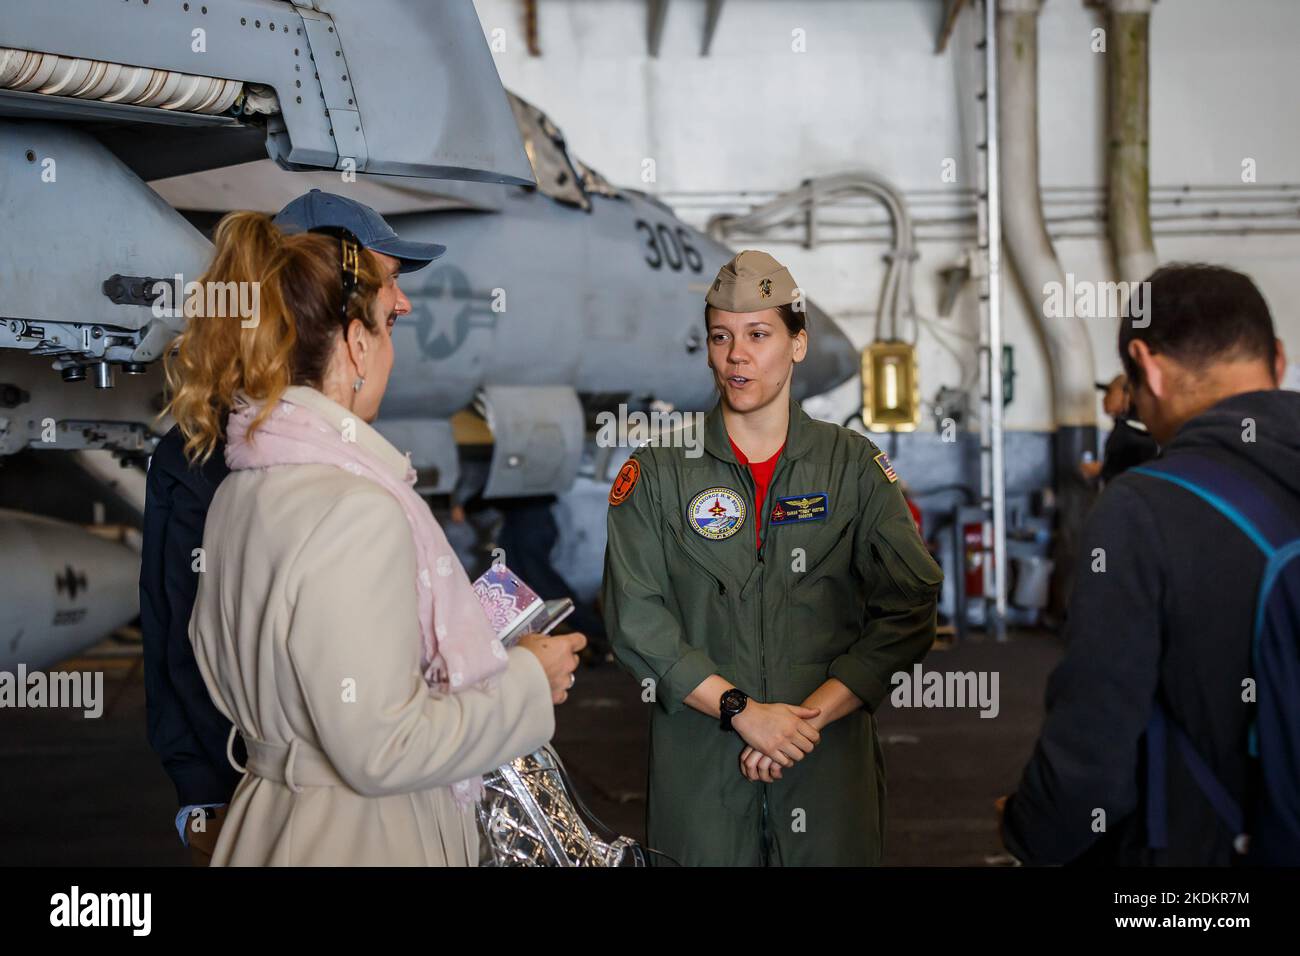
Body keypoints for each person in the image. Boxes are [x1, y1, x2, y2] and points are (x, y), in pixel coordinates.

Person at [158, 208, 585, 865]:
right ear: (356, 345)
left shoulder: (246, 488)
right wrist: (530, 678)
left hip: (272, 818)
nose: (394, 336)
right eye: (387, 324)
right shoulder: (354, 509)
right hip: (356, 836)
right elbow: (384, 748)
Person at [602, 250, 942, 866]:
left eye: (759, 334)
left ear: (797, 344)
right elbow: (635, 616)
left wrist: (802, 722)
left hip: (827, 766)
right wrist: (740, 712)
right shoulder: (655, 474)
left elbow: (908, 608)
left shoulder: (854, 469)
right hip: (701, 767)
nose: (738, 355)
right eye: (721, 337)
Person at [140, 189, 450, 863]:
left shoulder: (315, 442)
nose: (404, 303)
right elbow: (183, 638)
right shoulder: (209, 453)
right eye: (387, 282)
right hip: (280, 802)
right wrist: (206, 801)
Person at [1000, 263, 1298, 865]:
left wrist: (1031, 828)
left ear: (1148, 366)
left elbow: (1094, 743)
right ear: (1278, 358)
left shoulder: (1143, 508)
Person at [1079, 374, 1157, 486]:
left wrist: (1101, 470)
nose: (1104, 398)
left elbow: (1135, 475)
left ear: (1128, 395)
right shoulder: (1124, 426)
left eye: (1109, 392)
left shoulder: (1137, 431)